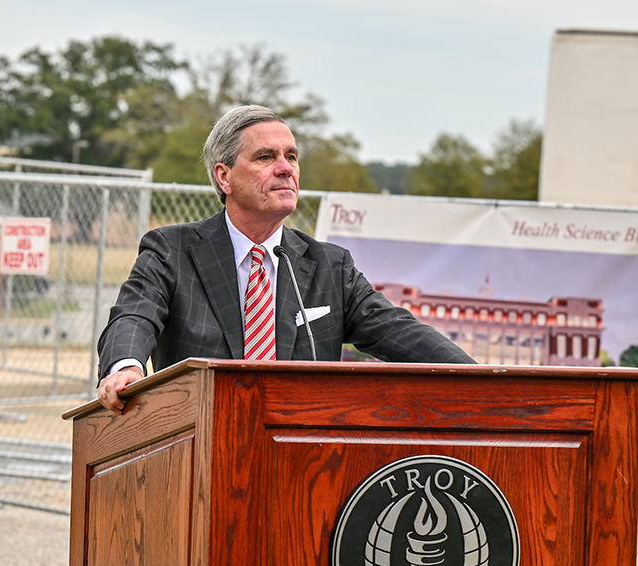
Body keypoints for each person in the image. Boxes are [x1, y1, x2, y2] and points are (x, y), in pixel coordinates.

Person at [97, 105, 473, 415]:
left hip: (300, 457)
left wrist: (487, 379)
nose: (286, 168)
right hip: (196, 445)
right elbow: (135, 314)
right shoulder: (171, 250)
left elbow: (399, 331)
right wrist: (126, 366)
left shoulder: (329, 266)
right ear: (224, 177)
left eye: (291, 156)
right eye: (266, 157)